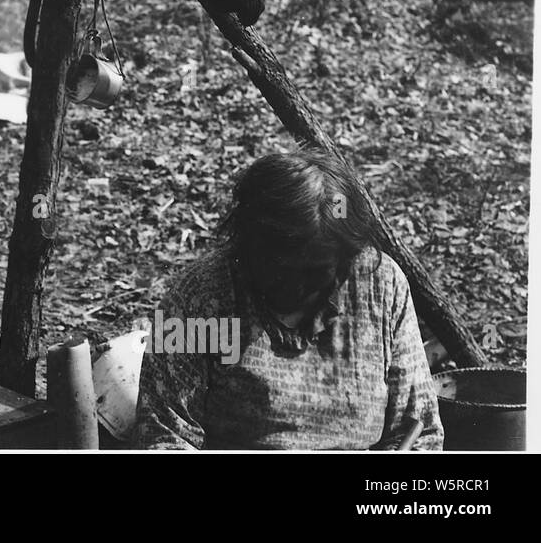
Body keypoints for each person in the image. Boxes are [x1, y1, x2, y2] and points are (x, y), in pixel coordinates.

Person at [133, 148, 443, 450]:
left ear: (346, 259)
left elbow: (418, 429)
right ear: (248, 246)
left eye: (314, 271)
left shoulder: (379, 286)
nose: (296, 286)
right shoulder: (203, 296)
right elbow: (165, 436)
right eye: (280, 267)